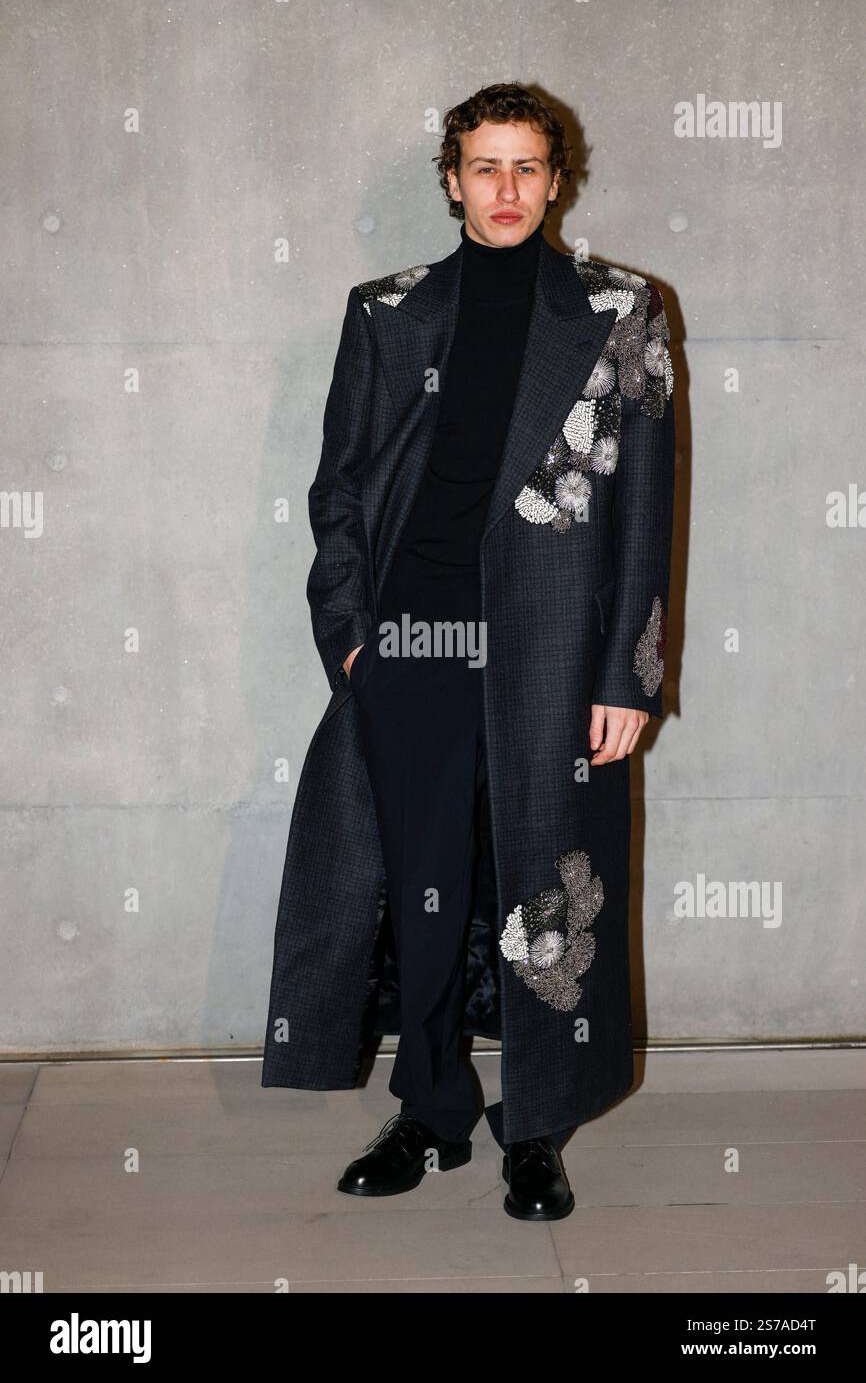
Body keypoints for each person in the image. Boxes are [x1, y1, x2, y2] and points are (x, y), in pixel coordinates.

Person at [262, 82, 677, 1222]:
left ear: (556, 179)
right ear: (450, 179)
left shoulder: (620, 311)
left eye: (526, 168)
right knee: (425, 885)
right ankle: (431, 1107)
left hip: (552, 651)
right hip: (412, 643)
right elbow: (336, 489)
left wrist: (623, 677)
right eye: (482, 167)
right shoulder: (385, 311)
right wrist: (350, 641)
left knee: (549, 884)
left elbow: (644, 509)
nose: (504, 190)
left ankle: (533, 1127)